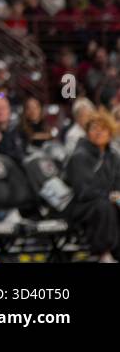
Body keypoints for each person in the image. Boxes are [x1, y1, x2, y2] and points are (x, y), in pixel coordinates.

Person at [64, 110, 120, 262]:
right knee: (104, 206)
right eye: (94, 128)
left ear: (110, 132)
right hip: (80, 205)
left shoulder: (113, 156)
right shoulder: (79, 156)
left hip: (104, 201)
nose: (98, 132)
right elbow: (83, 191)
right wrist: (110, 196)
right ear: (87, 132)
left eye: (103, 129)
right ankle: (104, 254)